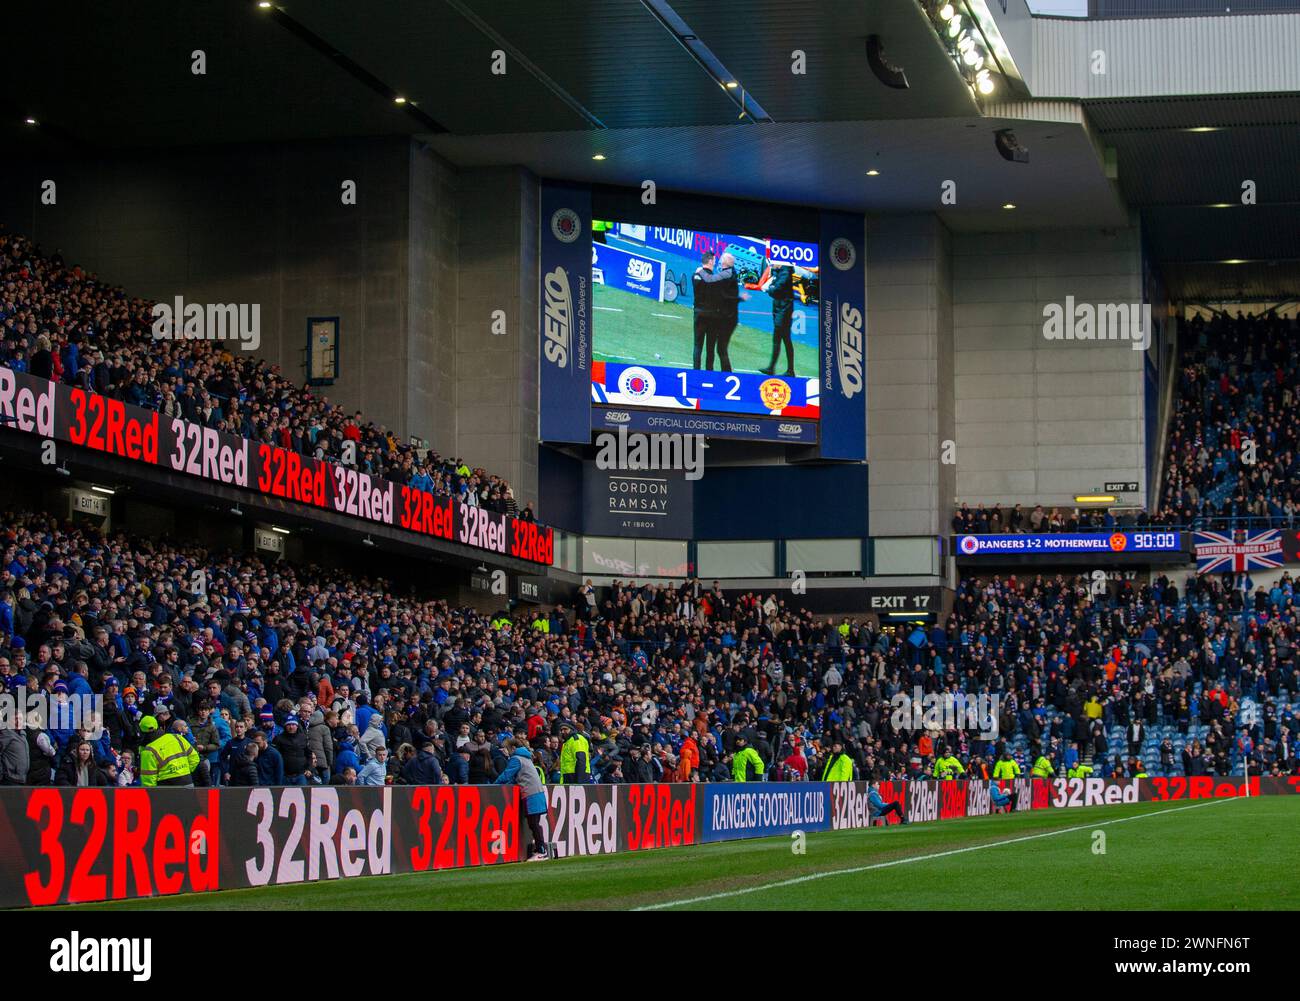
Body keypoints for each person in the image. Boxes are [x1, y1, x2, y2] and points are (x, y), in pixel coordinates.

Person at [496, 738, 550, 861]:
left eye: (506, 749)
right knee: (534, 823)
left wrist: (493, 785)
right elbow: (516, 778)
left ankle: (541, 851)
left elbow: (506, 775)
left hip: (530, 794)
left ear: (513, 748)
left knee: (533, 823)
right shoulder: (526, 758)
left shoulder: (516, 759)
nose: (506, 751)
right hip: (537, 792)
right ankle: (540, 849)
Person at [138, 715, 201, 788]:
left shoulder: (148, 750)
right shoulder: (177, 737)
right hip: (187, 781)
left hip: (165, 786)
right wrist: (184, 771)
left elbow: (148, 779)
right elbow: (195, 758)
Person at [758, 260, 796, 376]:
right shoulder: (777, 270)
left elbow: (776, 288)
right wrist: (770, 288)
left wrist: (768, 289)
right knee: (781, 338)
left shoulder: (785, 273)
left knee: (782, 338)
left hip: (785, 308)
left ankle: (787, 370)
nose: (772, 265)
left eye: (773, 263)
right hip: (778, 306)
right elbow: (773, 286)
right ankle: (776, 368)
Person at [691, 250, 719, 371]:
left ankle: (696, 371)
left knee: (697, 345)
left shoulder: (695, 276)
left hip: (698, 314)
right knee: (710, 347)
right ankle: (709, 372)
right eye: (714, 260)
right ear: (710, 261)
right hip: (712, 316)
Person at [558, 720, 591, 785]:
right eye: (561, 730)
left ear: (572, 729)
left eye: (565, 729)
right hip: (570, 776)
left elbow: (581, 759)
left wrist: (579, 782)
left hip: (577, 776)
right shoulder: (568, 742)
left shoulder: (577, 740)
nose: (562, 732)